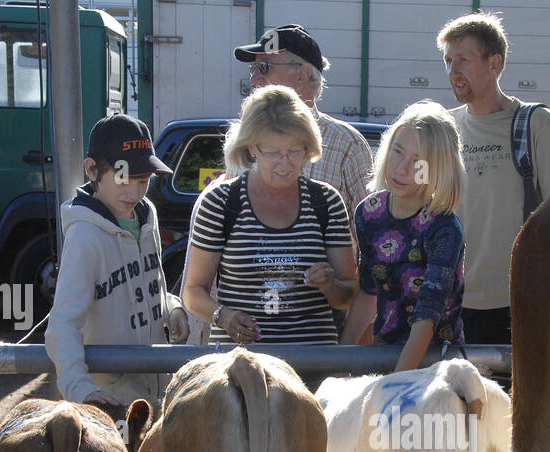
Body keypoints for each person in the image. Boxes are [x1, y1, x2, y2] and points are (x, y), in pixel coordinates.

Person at [437, 12, 550, 348]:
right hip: (451, 303)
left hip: (519, 302)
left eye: (464, 60)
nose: (453, 72)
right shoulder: (444, 127)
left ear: (494, 63)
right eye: (448, 60)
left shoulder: (536, 123)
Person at [182, 85, 356, 346]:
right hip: (240, 367)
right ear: (252, 148)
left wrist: (330, 284)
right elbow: (193, 292)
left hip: (312, 366)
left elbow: (348, 294)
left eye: (295, 151)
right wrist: (223, 316)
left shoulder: (326, 201)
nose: (285, 163)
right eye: (273, 153)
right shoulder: (220, 202)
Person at [44, 113, 190, 419]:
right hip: (108, 405)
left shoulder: (146, 215)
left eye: (143, 181)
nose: (135, 192)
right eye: (124, 178)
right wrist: (80, 390)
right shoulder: (85, 236)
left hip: (154, 394)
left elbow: (149, 285)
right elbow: (63, 324)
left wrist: (172, 308)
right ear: (92, 170)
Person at [342, 101, 465, 372]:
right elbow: (368, 291)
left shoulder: (444, 227)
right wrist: (338, 365)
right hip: (385, 354)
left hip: (437, 365)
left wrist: (398, 383)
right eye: (397, 152)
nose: (401, 169)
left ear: (439, 169)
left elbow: (427, 317)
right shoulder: (368, 213)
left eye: (418, 162)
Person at [233, 24, 374, 226]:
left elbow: (370, 228)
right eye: (253, 68)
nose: (255, 79)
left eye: (264, 67)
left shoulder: (346, 144)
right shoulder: (244, 137)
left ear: (302, 75)